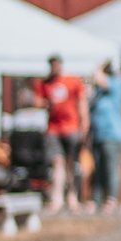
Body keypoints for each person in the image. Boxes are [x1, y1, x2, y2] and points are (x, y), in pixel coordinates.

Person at [35, 54, 88, 213]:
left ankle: (72, 197)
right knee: (57, 163)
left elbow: (82, 103)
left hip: (71, 128)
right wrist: (45, 103)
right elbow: (37, 101)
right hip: (53, 128)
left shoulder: (72, 81)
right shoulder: (45, 83)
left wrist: (84, 125)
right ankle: (56, 198)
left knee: (71, 164)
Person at [88, 62, 121, 212]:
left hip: (113, 134)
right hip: (98, 134)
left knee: (110, 168)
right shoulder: (98, 92)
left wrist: (100, 64)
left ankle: (111, 199)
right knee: (98, 169)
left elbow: (97, 77)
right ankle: (96, 199)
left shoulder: (116, 84)